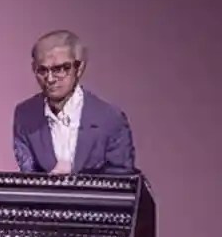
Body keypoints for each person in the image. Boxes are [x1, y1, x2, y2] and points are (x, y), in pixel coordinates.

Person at [12, 29, 137, 175]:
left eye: (59, 69)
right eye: (43, 70)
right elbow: (27, 179)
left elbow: (121, 182)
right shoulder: (25, 115)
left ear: (79, 68)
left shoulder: (110, 119)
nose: (50, 79)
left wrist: (74, 185)